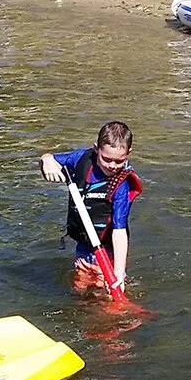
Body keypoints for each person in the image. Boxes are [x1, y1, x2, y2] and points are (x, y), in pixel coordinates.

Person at [40, 122, 144, 297]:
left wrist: (118, 272)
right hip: (84, 246)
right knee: (80, 289)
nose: (112, 165)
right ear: (96, 149)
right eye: (107, 159)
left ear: (128, 154)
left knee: (105, 295)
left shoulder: (121, 185)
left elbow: (119, 230)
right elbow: (50, 159)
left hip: (108, 251)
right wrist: (46, 159)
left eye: (119, 161)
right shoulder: (80, 158)